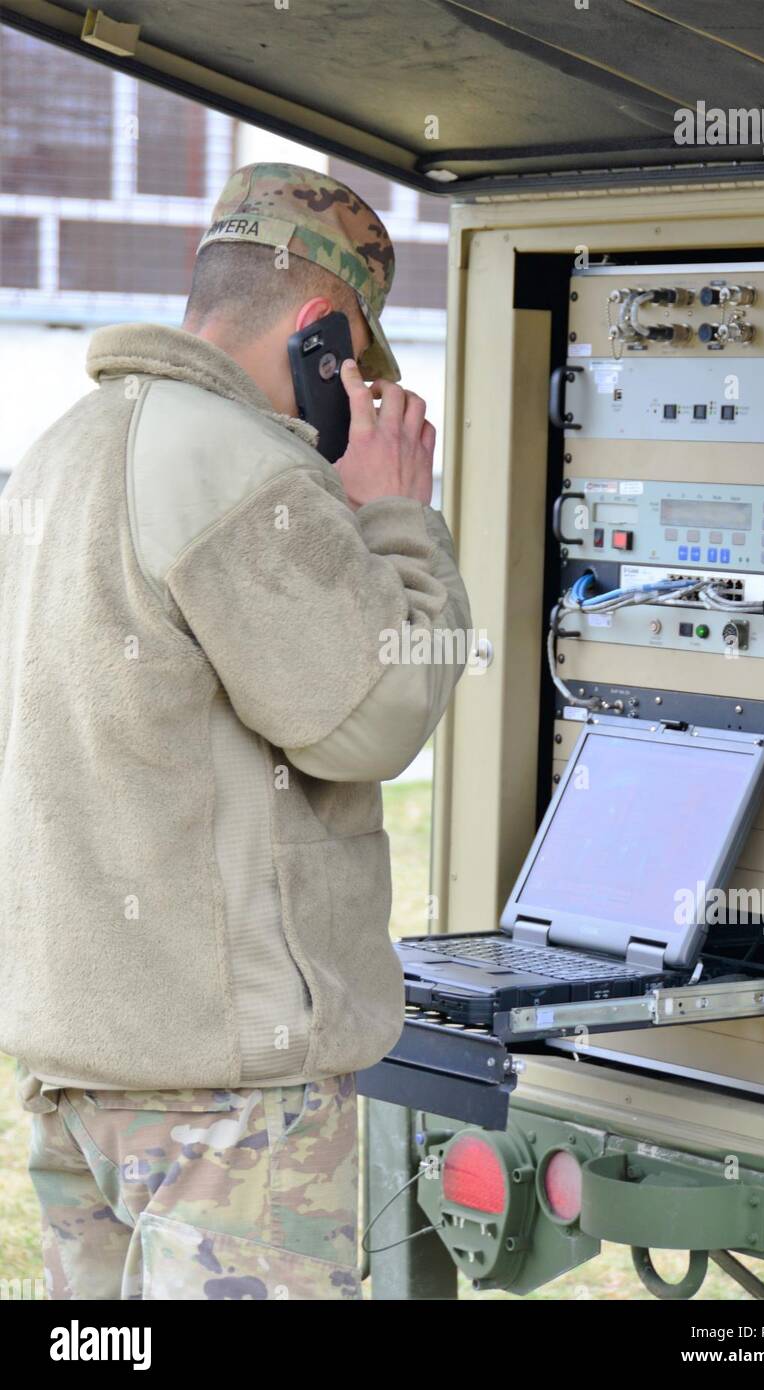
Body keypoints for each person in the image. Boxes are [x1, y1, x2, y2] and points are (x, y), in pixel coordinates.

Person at [0, 163, 471, 1300]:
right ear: (320, 333)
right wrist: (396, 509)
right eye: (356, 358)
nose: (358, 388)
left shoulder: (59, 453)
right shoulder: (243, 468)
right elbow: (372, 713)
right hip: (228, 1108)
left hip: (79, 1071)